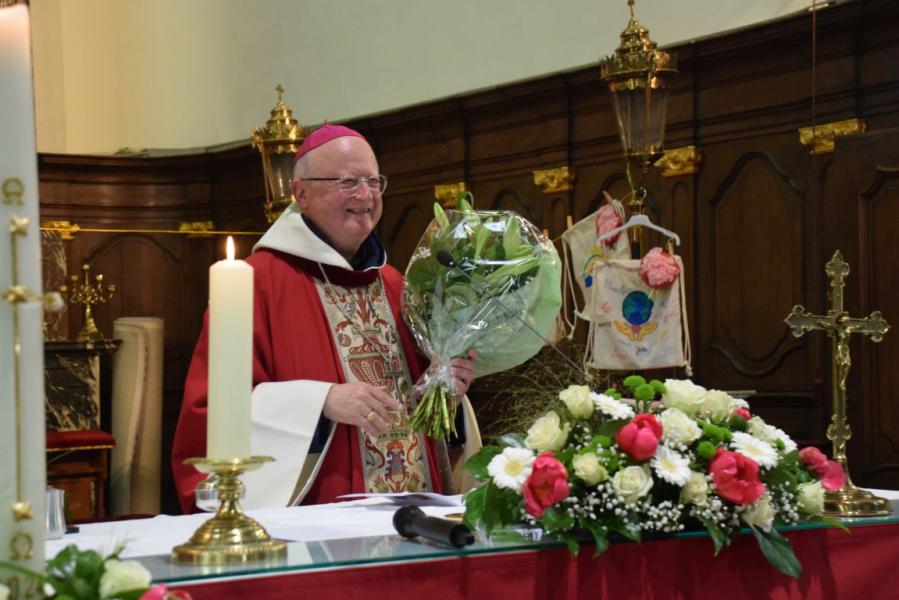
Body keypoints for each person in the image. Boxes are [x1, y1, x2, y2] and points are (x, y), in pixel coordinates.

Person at [172, 124, 479, 513]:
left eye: (373, 181)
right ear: (301, 194)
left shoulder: (396, 284)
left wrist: (447, 391)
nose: (365, 196)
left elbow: (422, 405)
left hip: (411, 515)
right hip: (319, 519)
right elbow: (212, 410)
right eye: (348, 182)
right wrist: (321, 401)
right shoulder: (256, 284)